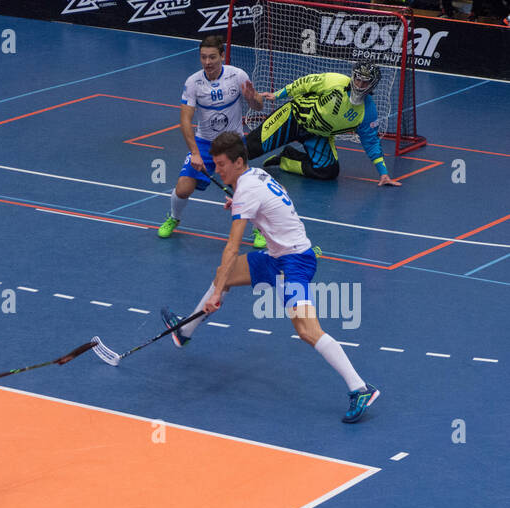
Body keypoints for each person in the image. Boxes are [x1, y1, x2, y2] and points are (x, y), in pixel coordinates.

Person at [164, 132, 380, 424]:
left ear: (239, 162)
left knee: (307, 330)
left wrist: (216, 300)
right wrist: (241, 205)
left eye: (222, 165)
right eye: (214, 164)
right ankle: (184, 332)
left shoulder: (246, 190)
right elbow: (267, 206)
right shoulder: (254, 176)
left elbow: (232, 246)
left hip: (293, 263)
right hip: (276, 256)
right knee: (223, 276)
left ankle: (360, 388)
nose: (217, 171)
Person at [159, 36, 268, 248]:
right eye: (203, 58)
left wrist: (252, 98)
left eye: (212, 58)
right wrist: (195, 153)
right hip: (204, 144)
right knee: (182, 189)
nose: (207, 62)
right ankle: (174, 217)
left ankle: (259, 229)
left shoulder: (237, 76)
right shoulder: (193, 83)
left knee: (245, 191)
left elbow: (259, 107)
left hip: (233, 145)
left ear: (222, 56)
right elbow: (185, 119)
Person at [245, 62, 401, 186]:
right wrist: (277, 95)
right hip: (293, 118)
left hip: (318, 135)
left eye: (365, 82)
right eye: (357, 79)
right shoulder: (335, 81)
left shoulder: (368, 112)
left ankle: (286, 158)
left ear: (372, 85)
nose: (359, 85)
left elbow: (371, 142)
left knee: (328, 171)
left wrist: (383, 173)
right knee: (248, 150)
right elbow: (304, 83)